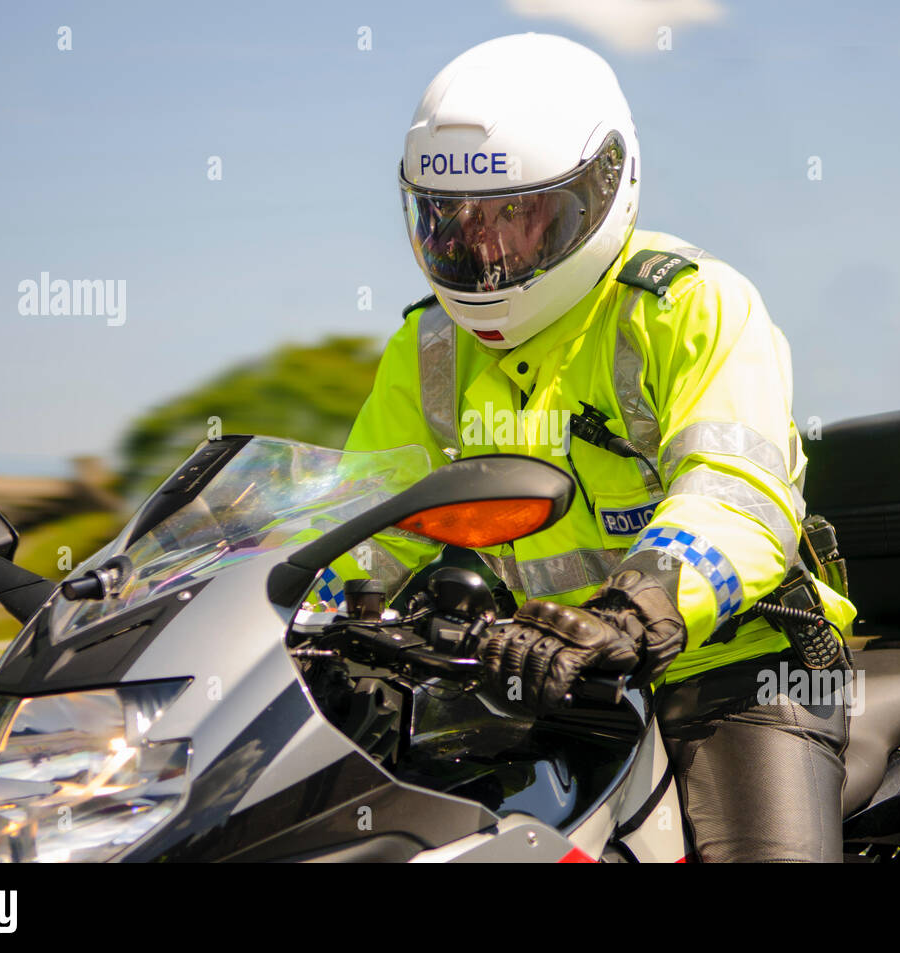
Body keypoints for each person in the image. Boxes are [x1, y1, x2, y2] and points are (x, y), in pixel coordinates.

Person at [318, 33, 858, 862]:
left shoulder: (689, 306)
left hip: (733, 674)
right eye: (455, 220)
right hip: (528, 682)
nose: (486, 252)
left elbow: (737, 493)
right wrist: (326, 614)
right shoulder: (426, 348)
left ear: (602, 187)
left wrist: (627, 611)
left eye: (515, 215)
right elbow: (367, 524)